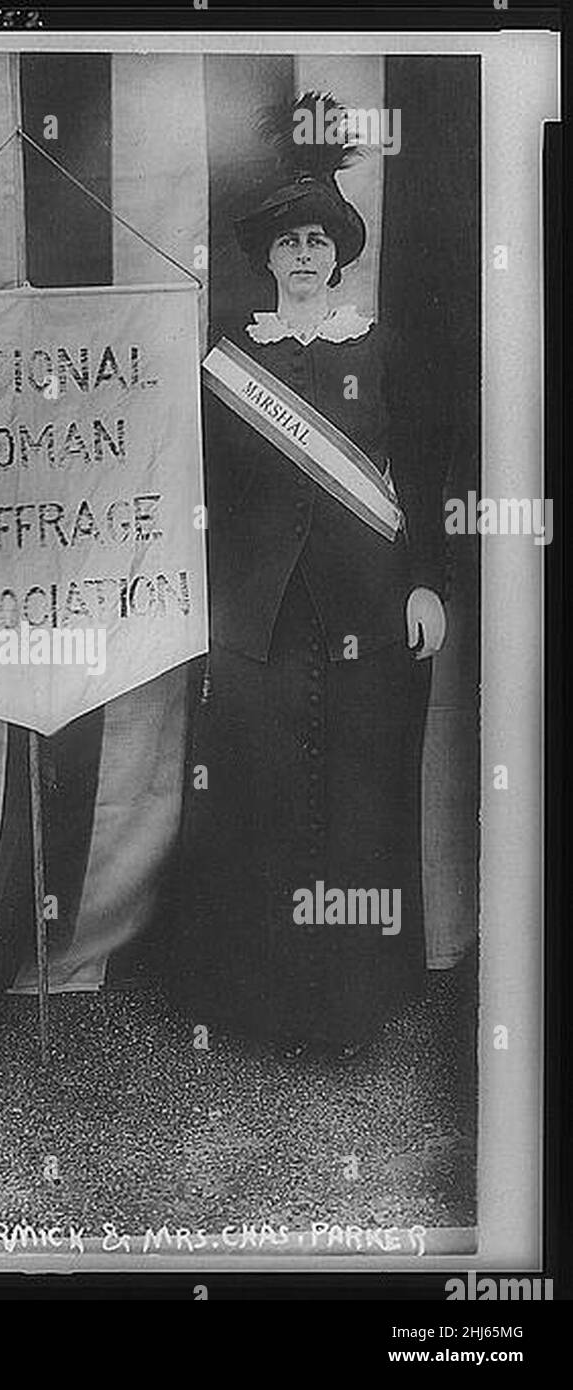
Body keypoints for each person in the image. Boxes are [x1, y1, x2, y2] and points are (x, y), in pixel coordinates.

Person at [173, 95, 447, 1058]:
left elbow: (422, 471)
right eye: (286, 242)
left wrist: (425, 583)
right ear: (267, 257)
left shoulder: (379, 349)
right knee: (265, 795)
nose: (301, 256)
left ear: (339, 254)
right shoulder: (226, 359)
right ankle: (261, 998)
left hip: (370, 607)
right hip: (260, 613)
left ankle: (350, 1002)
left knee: (359, 794)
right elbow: (197, 487)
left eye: (316, 242)